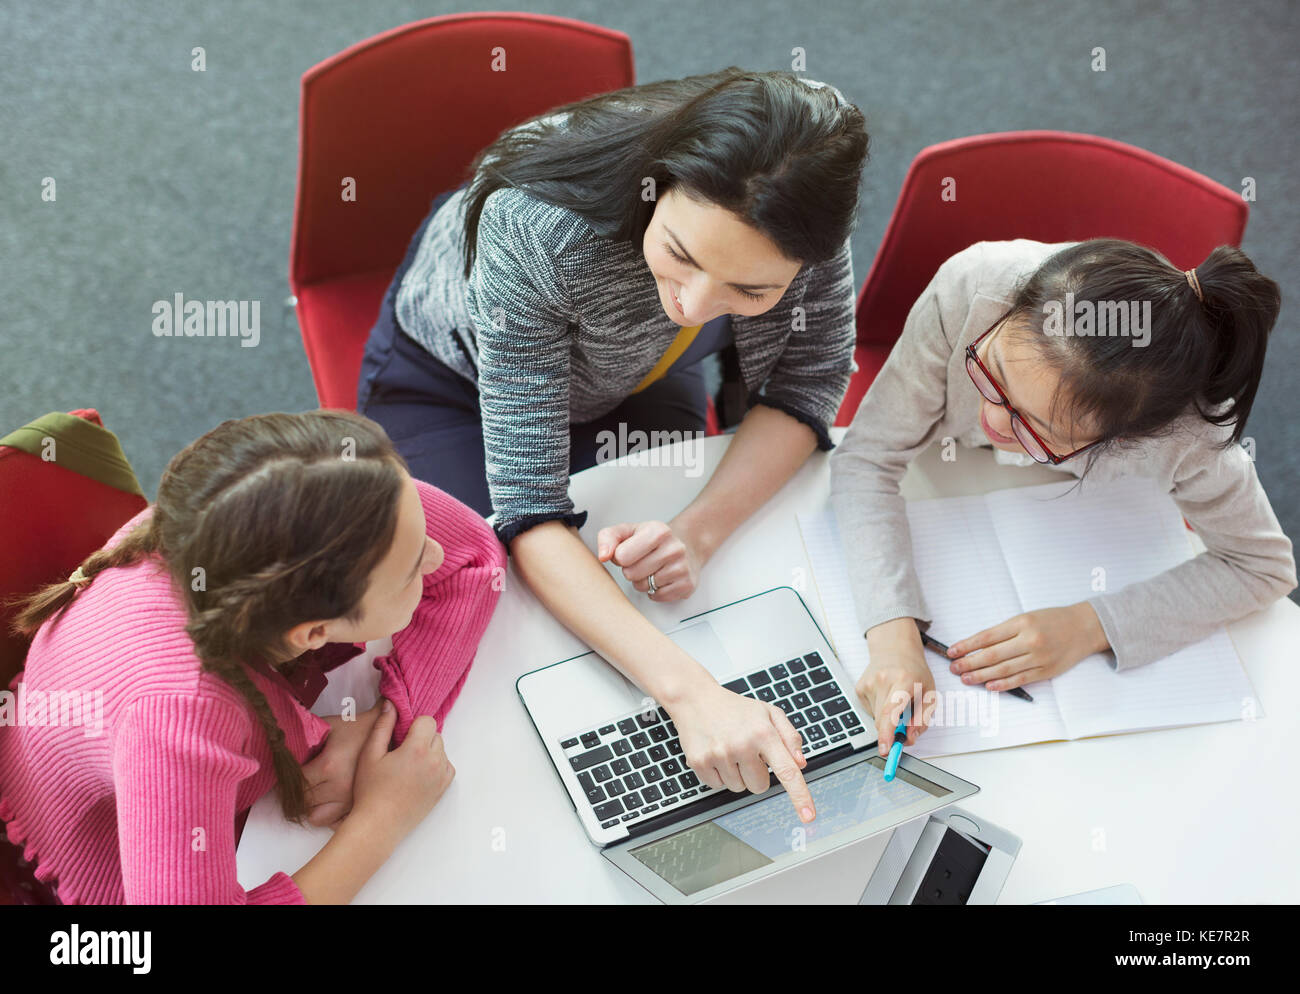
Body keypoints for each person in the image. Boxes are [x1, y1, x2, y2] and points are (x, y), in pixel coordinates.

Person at [358, 67, 869, 820]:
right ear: (657, 187)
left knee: (645, 603)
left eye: (751, 291)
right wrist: (692, 694)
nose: (694, 306)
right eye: (683, 254)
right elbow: (527, 506)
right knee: (472, 600)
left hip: (635, 379)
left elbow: (806, 385)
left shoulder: (802, 216)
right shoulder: (536, 227)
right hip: (453, 383)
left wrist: (696, 535)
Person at [0, 409, 506, 903]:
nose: (434, 557)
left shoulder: (309, 502)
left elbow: (474, 555)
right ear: (315, 632)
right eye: (412, 570)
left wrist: (387, 727)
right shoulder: (179, 713)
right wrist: (383, 820)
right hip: (93, 864)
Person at [830, 238, 1297, 752]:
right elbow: (866, 458)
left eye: (1038, 428)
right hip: (943, 479)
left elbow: (1263, 566)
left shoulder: (1190, 434)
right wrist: (893, 634)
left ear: (1122, 441)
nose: (989, 418)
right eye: (993, 372)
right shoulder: (974, 289)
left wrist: (1090, 626)